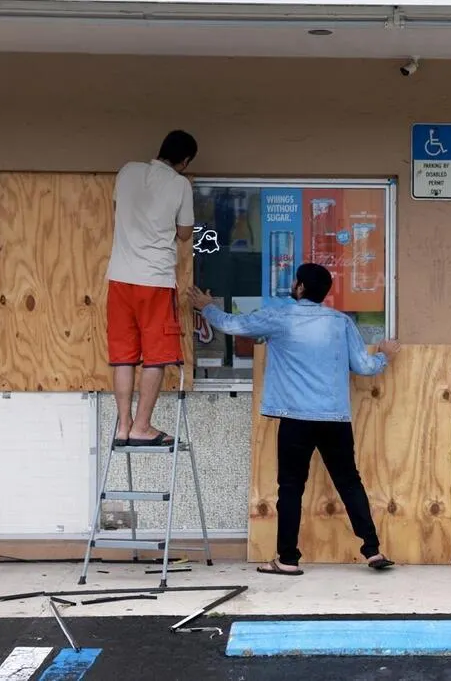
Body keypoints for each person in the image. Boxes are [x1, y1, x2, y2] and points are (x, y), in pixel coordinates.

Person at [188, 263, 400, 575]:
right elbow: (366, 367)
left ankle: (287, 559)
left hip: (295, 418)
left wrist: (206, 308)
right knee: (349, 481)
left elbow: (233, 325)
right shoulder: (341, 323)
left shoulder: (280, 316)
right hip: (334, 419)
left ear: (299, 287)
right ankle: (372, 550)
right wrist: (385, 354)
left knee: (290, 488)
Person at [106, 130, 198, 448]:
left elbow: (118, 210)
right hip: (155, 280)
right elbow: (185, 233)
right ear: (184, 162)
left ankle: (124, 424)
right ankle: (142, 426)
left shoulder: (128, 171)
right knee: (156, 356)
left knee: (123, 356)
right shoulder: (180, 184)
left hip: (119, 277)